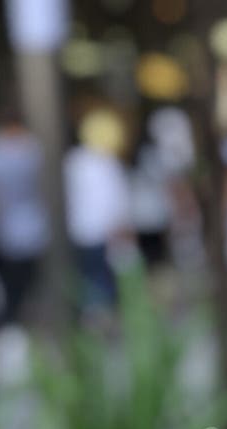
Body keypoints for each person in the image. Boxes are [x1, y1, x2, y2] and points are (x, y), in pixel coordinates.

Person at [0, 111, 49, 323]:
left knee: (13, 281)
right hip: (26, 225)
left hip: (6, 226)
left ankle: (13, 322)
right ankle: (16, 321)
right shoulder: (31, 149)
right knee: (23, 280)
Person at [64, 109, 133, 314]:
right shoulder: (108, 164)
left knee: (86, 277)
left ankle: (91, 315)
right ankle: (100, 317)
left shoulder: (72, 160)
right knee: (101, 280)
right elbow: (117, 202)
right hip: (102, 231)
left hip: (77, 230)